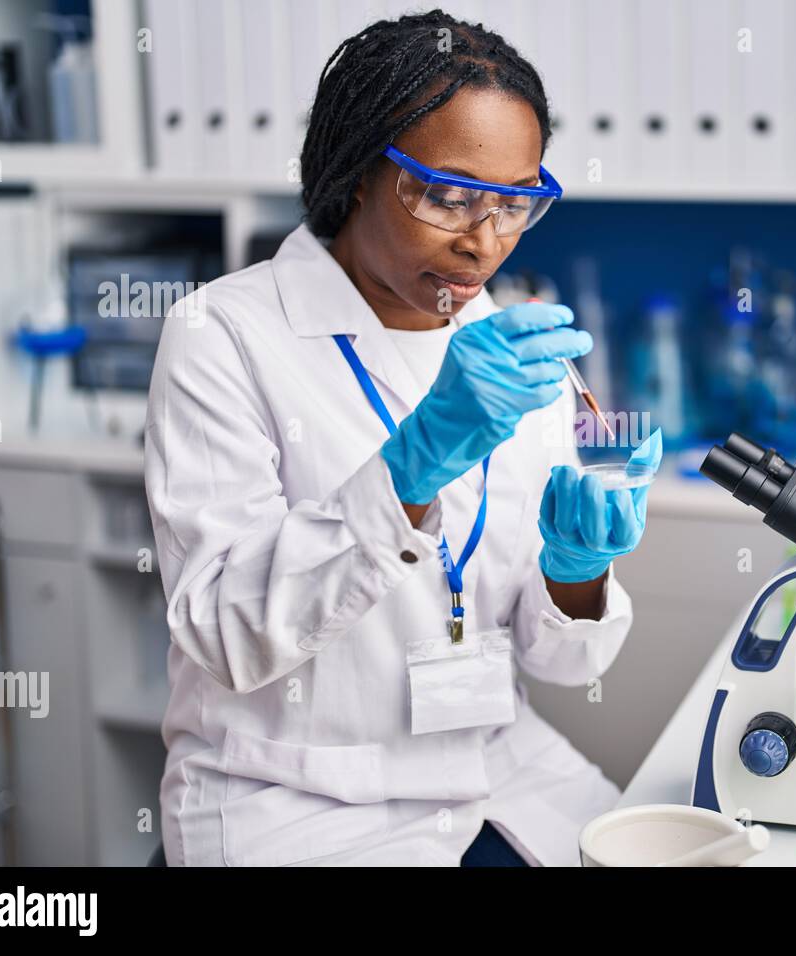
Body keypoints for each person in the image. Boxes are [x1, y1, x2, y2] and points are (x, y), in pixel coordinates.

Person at [143, 9, 660, 866]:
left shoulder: (507, 347)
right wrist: (412, 468)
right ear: (355, 173)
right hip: (298, 800)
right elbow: (226, 632)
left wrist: (579, 573)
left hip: (498, 768)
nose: (482, 241)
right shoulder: (222, 336)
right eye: (448, 197)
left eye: (515, 205)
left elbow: (561, 663)